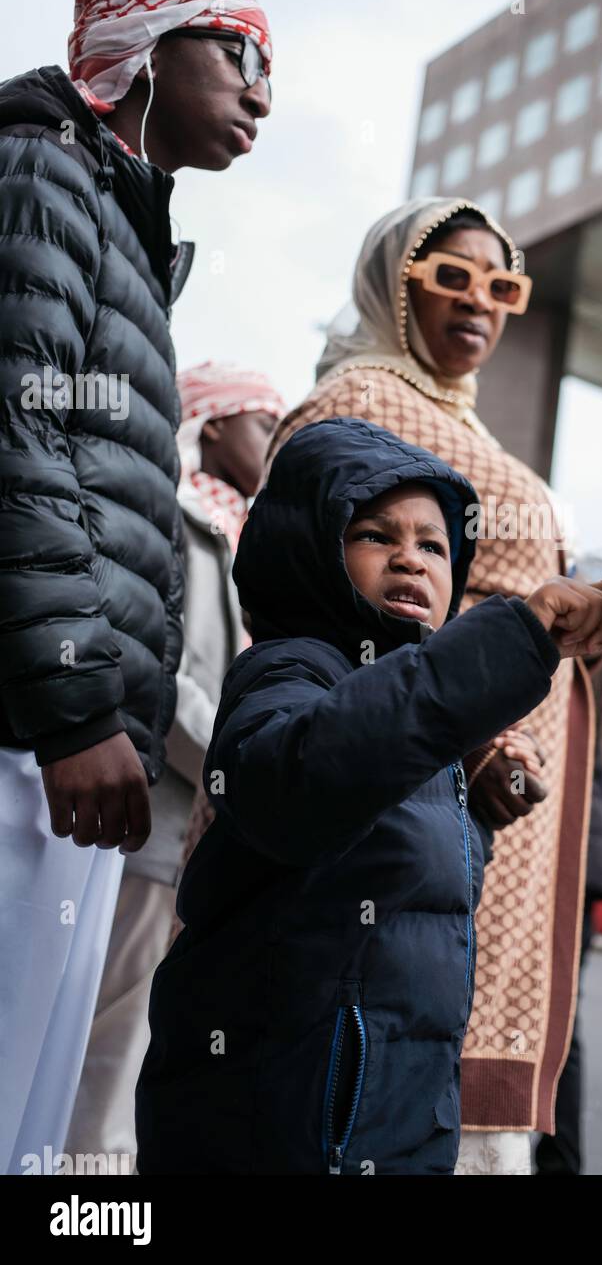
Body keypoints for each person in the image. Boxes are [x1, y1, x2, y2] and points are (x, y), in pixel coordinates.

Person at [134, 416, 602, 1174]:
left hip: (399, 1122)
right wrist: (517, 637)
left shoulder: (422, 717)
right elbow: (306, 779)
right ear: (313, 552)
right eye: (376, 535)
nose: (410, 558)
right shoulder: (287, 671)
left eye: (434, 546)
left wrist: (479, 794)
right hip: (281, 1127)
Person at [0, 0, 272, 1175]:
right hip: (28, 733)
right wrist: (72, 712)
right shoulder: (39, 177)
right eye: (239, 53)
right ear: (144, 52)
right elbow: (17, 447)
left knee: (43, 1115)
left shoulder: (112, 214)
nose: (264, 91)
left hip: (55, 739)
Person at [269, 198, 598, 1174]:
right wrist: (483, 740)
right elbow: (338, 619)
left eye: (501, 285)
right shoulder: (358, 402)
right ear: (390, 279)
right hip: (428, 784)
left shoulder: (463, 427)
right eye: (447, 275)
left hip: (490, 804)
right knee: (373, 1065)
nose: (479, 303)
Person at [63, 362, 285, 1169]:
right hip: (154, 818)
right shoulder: (184, 519)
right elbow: (164, 672)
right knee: (110, 1040)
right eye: (266, 423)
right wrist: (241, 762)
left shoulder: (235, 530)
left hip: (182, 821)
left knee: (125, 1032)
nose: (275, 444)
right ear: (217, 424)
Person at [534, 647, 602, 1175]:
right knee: (565, 1013)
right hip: (591, 855)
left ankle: (560, 1160)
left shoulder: (570, 670)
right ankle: (561, 1160)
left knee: (558, 1013)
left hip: (569, 854)